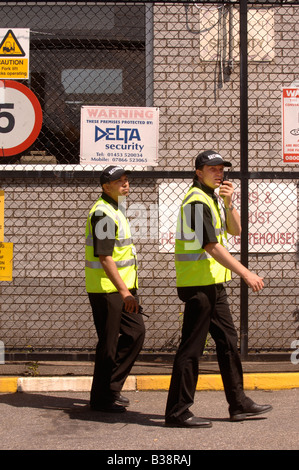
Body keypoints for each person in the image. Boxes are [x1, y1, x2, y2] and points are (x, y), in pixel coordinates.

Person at [165, 150, 272, 427]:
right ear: (198, 172)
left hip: (213, 285)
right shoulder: (196, 202)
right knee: (191, 350)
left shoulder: (212, 199)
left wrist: (229, 202)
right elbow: (211, 246)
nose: (219, 172)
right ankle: (177, 412)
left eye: (221, 168)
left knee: (228, 344)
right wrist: (245, 272)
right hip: (199, 286)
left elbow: (236, 231)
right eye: (212, 168)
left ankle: (238, 404)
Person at [85, 165, 145, 413]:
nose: (126, 185)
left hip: (122, 288)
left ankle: (109, 389)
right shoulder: (103, 214)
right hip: (108, 290)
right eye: (120, 182)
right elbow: (105, 257)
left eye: (126, 180)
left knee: (135, 333)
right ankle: (101, 399)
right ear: (106, 187)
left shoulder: (114, 209)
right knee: (109, 344)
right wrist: (124, 292)